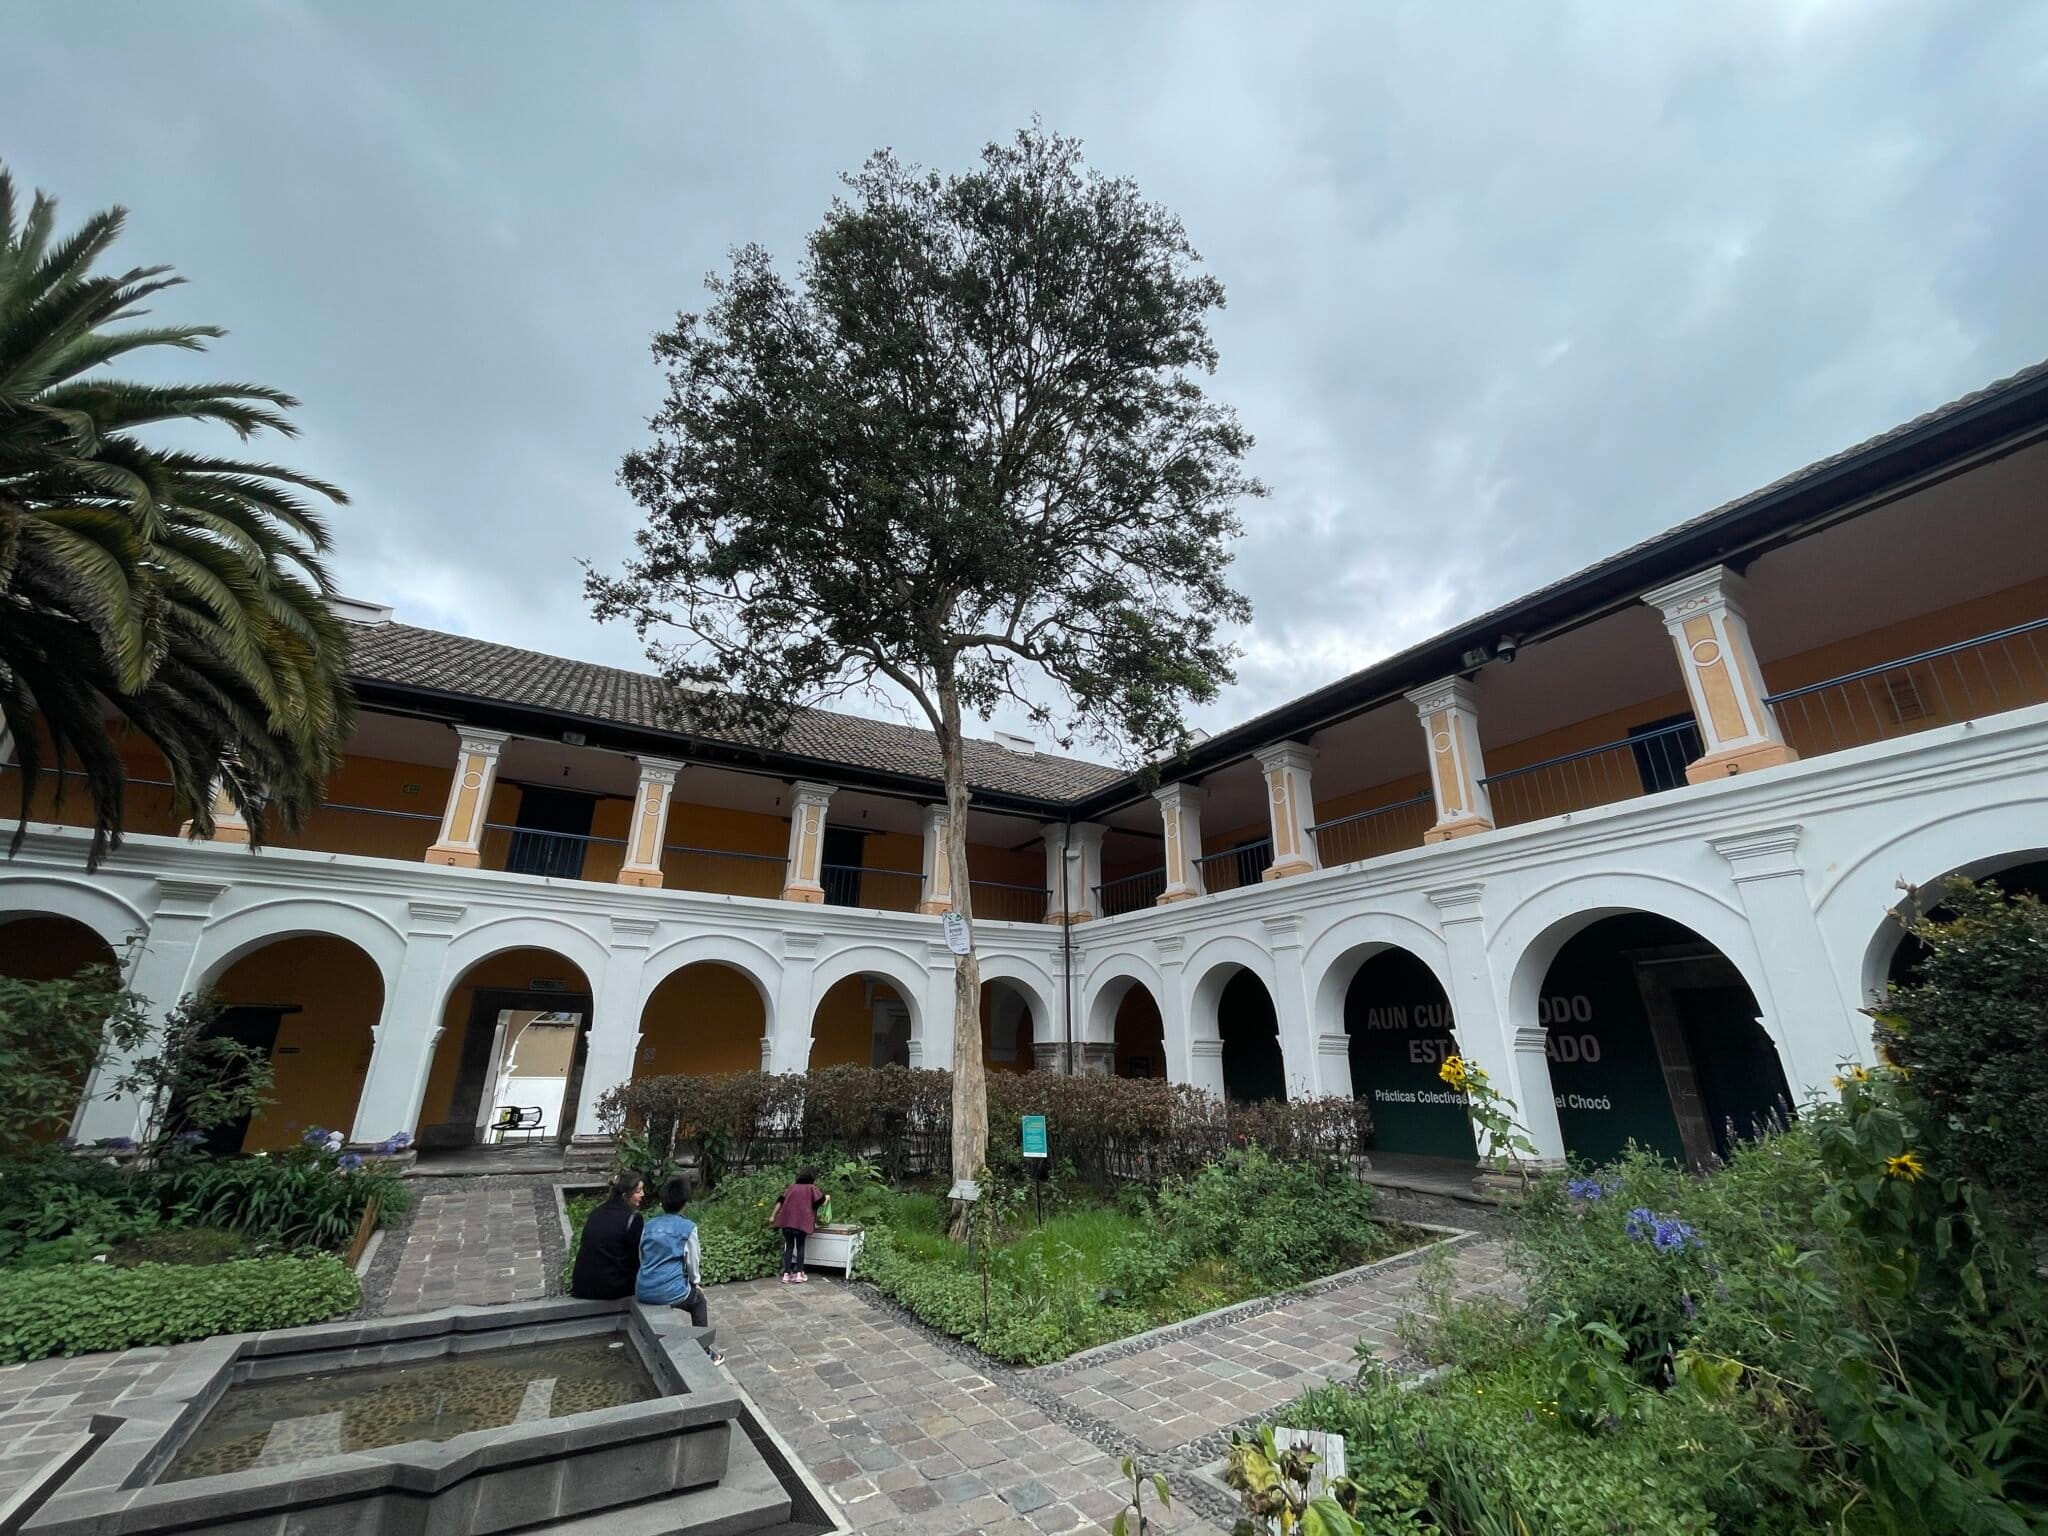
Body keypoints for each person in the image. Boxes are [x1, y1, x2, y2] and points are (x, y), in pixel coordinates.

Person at [637, 1174, 724, 1365]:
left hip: (643, 1288)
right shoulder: (687, 1228)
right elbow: (692, 1260)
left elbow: (642, 1255)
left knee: (677, 1292)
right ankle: (705, 1351)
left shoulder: (649, 1224)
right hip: (669, 1290)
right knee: (698, 1300)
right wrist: (695, 1282)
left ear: (662, 1202)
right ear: (685, 1202)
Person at [568, 1169, 644, 1301]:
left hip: (582, 1285)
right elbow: (636, 1257)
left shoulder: (596, 1212)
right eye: (638, 1191)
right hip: (612, 1287)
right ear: (625, 1195)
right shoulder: (633, 1218)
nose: (643, 1194)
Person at [770, 1167, 828, 1284]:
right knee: (800, 1246)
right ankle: (799, 1274)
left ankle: (786, 1275)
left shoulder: (791, 1188)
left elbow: (780, 1200)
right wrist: (827, 1198)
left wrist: (772, 1215)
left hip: (786, 1222)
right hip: (801, 1223)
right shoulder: (812, 1188)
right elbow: (819, 1202)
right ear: (812, 1177)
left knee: (789, 1247)